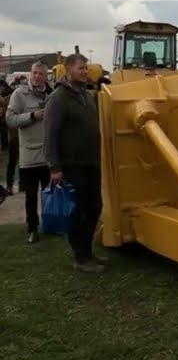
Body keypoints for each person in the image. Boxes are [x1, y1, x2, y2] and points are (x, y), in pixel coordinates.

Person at [44, 54, 107, 273]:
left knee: (94, 207)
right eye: (81, 68)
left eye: (86, 68)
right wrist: (54, 167)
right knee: (79, 211)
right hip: (72, 164)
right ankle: (81, 258)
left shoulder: (86, 95)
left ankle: (87, 252)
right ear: (68, 70)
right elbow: (50, 134)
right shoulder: (59, 98)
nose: (85, 71)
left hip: (91, 162)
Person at [7, 62, 55, 242]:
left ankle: (51, 223)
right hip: (29, 154)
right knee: (31, 195)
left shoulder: (52, 95)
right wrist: (33, 116)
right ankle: (32, 228)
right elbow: (10, 119)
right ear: (30, 74)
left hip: (49, 154)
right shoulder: (19, 94)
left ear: (46, 76)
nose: (37, 76)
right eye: (34, 73)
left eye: (41, 74)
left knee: (51, 193)